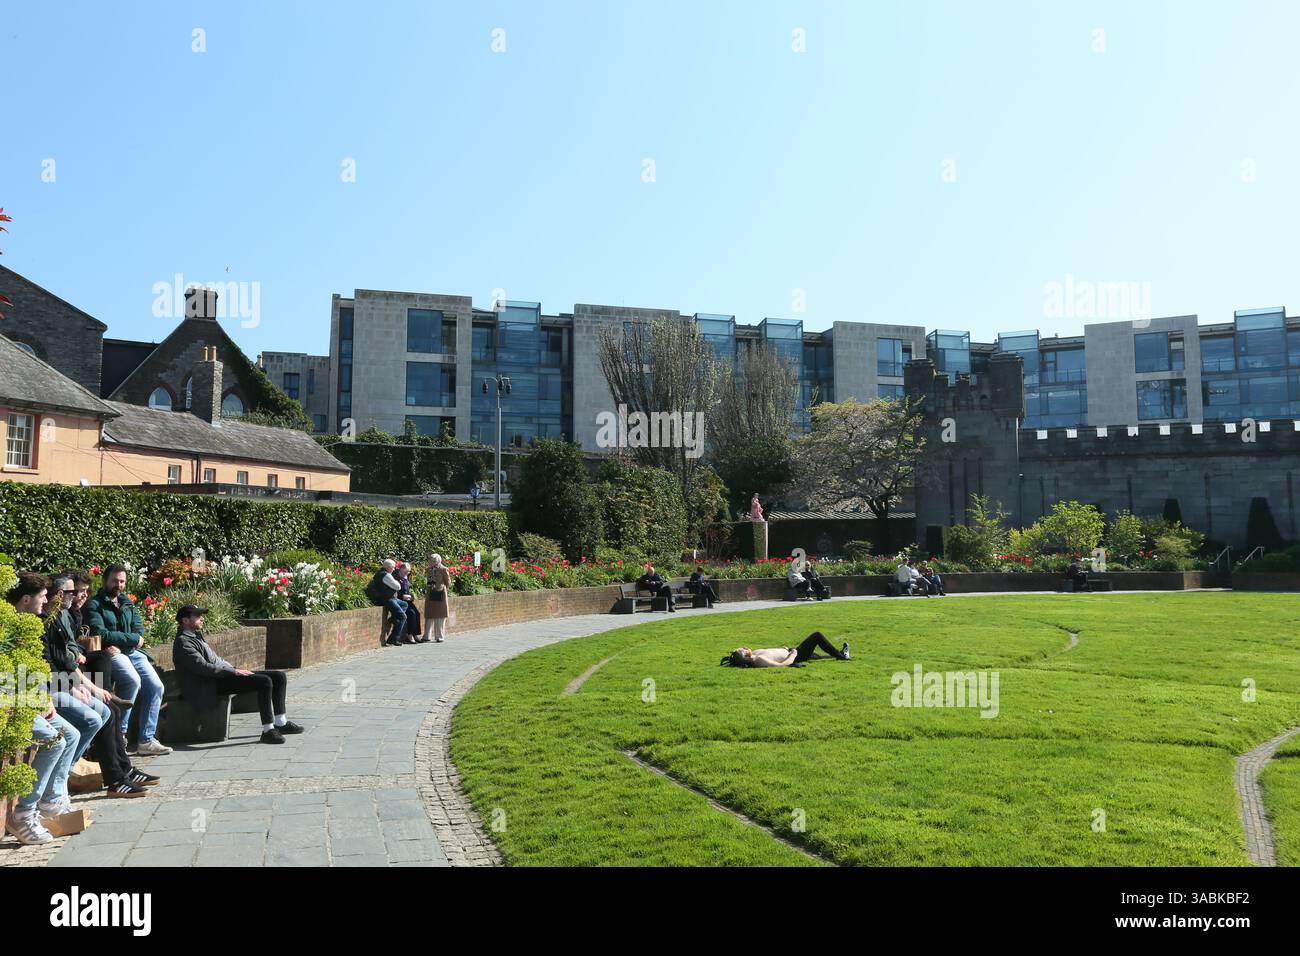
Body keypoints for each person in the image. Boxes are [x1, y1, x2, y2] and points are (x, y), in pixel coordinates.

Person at [171, 604, 304, 744]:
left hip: (216, 678)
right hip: (206, 685)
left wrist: (234, 669)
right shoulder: (183, 642)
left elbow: (216, 660)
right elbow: (204, 668)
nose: (202, 618)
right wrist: (233, 671)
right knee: (264, 682)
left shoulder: (195, 636)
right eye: (197, 616)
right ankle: (268, 730)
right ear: (185, 621)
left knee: (279, 676)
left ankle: (281, 723)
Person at [83, 565, 172, 755]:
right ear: (105, 580)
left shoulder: (127, 603)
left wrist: (129, 640)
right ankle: (120, 735)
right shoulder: (94, 604)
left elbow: (139, 632)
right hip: (112, 653)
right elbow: (101, 634)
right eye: (115, 580)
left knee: (157, 687)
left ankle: (146, 741)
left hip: (130, 652)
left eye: (122, 581)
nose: (119, 584)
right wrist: (131, 640)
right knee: (132, 680)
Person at [721, 631, 850, 668]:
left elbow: (772, 653)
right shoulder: (759, 659)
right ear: (745, 657)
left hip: (789, 650)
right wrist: (792, 655)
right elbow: (780, 665)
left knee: (818, 657)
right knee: (817, 636)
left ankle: (840, 654)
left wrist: (783, 649)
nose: (743, 648)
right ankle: (842, 656)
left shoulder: (754, 654)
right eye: (742, 650)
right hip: (795, 655)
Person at [365, 559, 409, 646]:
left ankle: (393, 618)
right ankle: (393, 639)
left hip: (390, 598)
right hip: (387, 599)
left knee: (404, 604)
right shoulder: (386, 575)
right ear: (388, 567)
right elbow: (398, 587)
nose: (394, 569)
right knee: (403, 617)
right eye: (393, 567)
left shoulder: (382, 573)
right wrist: (397, 583)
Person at [422, 553, 451, 643]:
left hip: (440, 593)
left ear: (438, 561)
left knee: (440, 615)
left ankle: (439, 636)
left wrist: (441, 588)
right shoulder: (428, 569)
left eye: (433, 561)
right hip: (430, 593)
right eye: (430, 560)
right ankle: (427, 636)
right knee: (429, 615)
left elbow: (448, 582)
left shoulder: (443, 569)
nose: (431, 562)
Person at [396, 562, 420, 644]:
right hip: (400, 601)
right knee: (412, 614)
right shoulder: (396, 577)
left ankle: (416, 634)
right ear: (401, 569)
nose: (407, 573)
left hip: (408, 600)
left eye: (408, 572)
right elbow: (394, 593)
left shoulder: (406, 578)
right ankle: (410, 635)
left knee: (417, 613)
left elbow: (409, 591)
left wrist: (411, 597)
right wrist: (402, 596)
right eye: (406, 571)